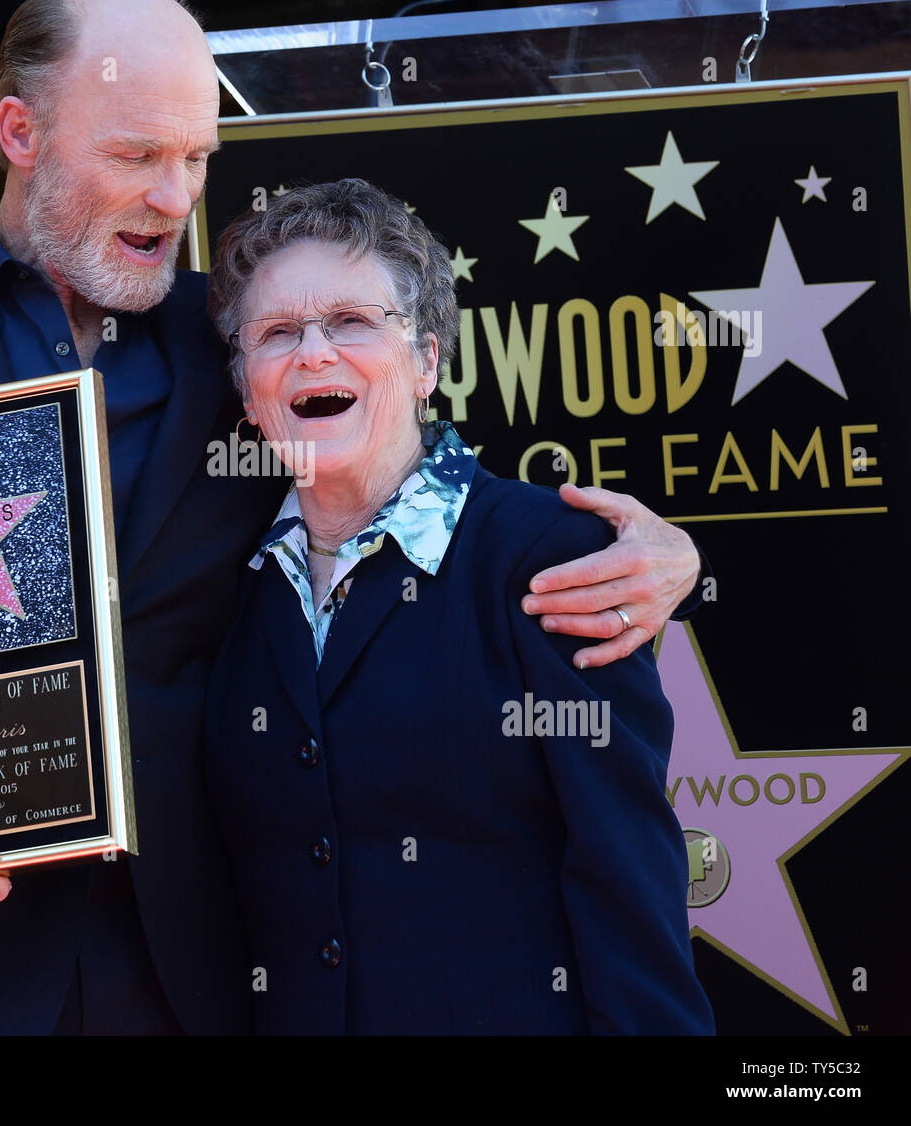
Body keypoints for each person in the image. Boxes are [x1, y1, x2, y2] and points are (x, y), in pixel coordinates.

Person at [0, 0, 706, 1036]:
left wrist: (668, 551)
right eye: (137, 155)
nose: (177, 197)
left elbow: (391, 457)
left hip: (206, 983)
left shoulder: (240, 341)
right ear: (20, 131)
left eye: (195, 158)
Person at [203, 178, 714, 1035]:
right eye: (277, 333)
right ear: (248, 392)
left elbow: (626, 873)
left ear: (428, 362)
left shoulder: (547, 555)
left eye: (353, 322)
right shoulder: (227, 583)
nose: (313, 354)